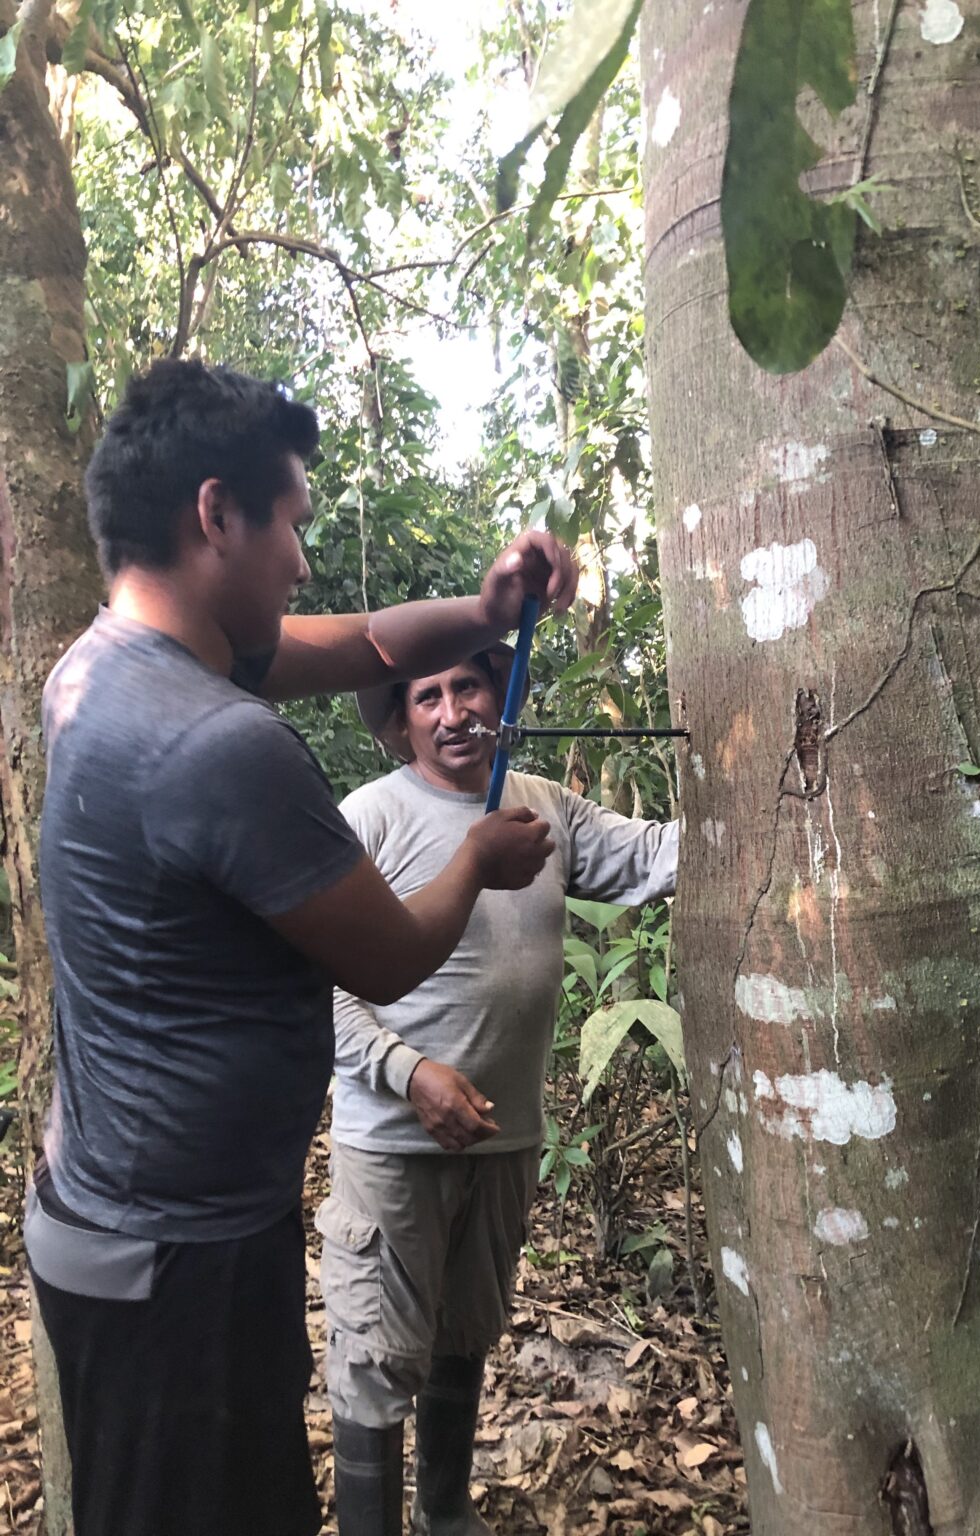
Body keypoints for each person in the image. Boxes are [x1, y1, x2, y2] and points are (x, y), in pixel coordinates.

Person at [23, 358, 577, 1536]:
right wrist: (477, 860)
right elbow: (382, 961)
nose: (302, 562)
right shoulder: (223, 743)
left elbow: (369, 644)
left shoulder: (98, 671)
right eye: (292, 525)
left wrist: (490, 613)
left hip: (119, 1228)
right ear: (215, 514)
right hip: (184, 1265)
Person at [319, 650, 679, 1536]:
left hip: (504, 1138)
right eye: (426, 696)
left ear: (502, 697)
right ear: (399, 720)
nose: (451, 712)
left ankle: (446, 1515)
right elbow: (316, 981)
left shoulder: (543, 806)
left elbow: (648, 858)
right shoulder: (368, 817)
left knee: (462, 1333)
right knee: (375, 1356)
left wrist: (764, 785)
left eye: (467, 687)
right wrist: (409, 1073)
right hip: (393, 1146)